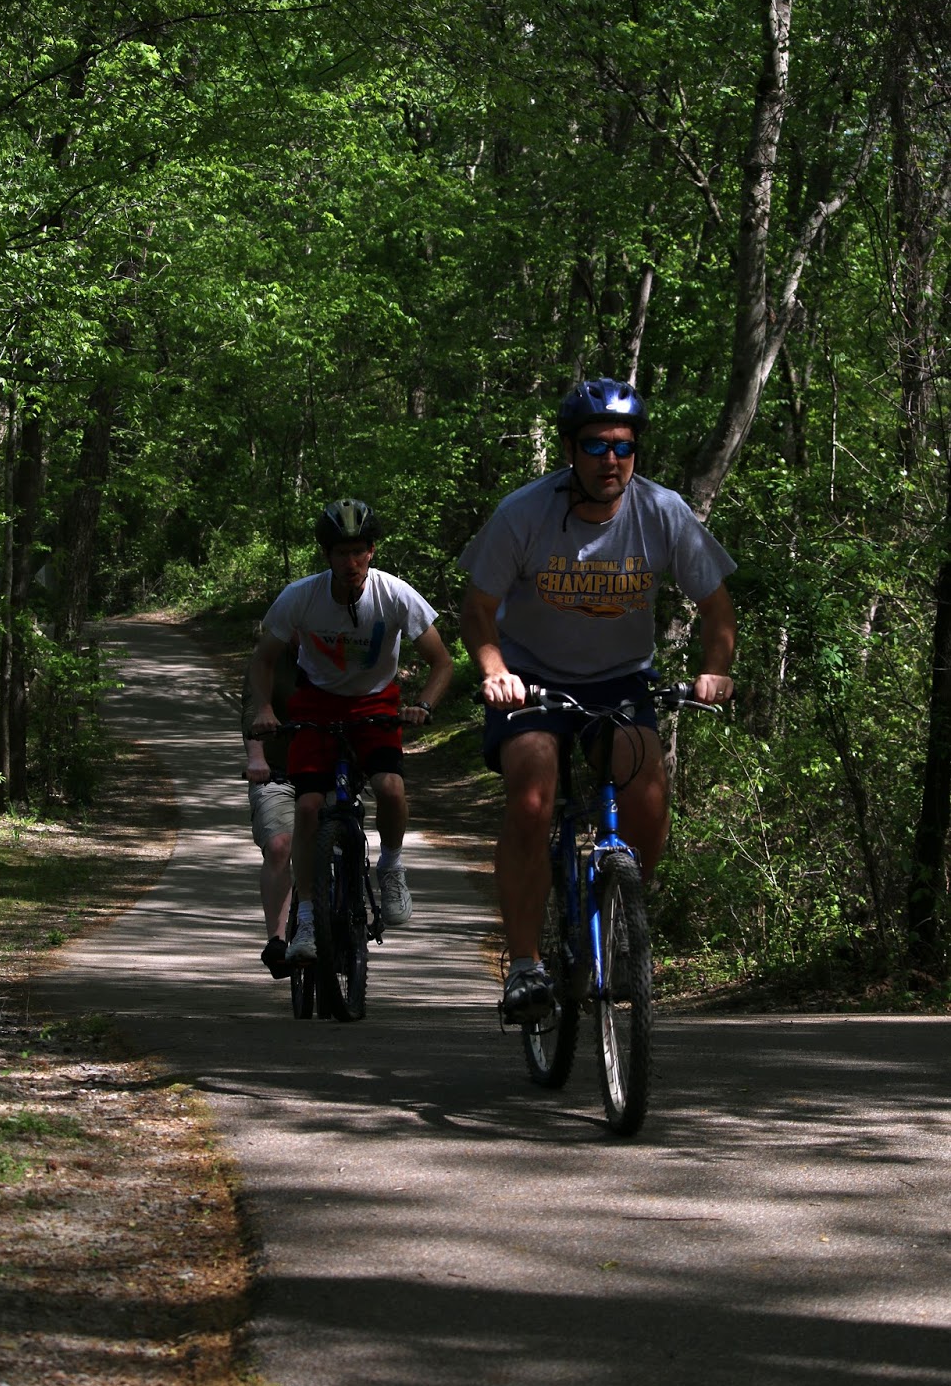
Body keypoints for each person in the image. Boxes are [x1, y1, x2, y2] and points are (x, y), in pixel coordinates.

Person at [459, 378, 736, 1026]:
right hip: (530, 680)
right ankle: (526, 966)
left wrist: (714, 671)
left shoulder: (662, 512)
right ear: (570, 451)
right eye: (594, 445)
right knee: (531, 795)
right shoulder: (523, 514)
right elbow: (477, 609)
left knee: (648, 796)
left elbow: (716, 608)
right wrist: (494, 669)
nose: (610, 459)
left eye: (623, 447)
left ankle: (621, 914)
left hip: (620, 681)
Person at [248, 498, 454, 964]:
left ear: (372, 551)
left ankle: (392, 868)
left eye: (359, 550)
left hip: (375, 701)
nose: (351, 561)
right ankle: (304, 919)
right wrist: (264, 707)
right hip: (317, 702)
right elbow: (262, 659)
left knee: (390, 787)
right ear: (327, 556)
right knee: (307, 807)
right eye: (341, 552)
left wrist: (423, 705)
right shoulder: (300, 596)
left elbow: (442, 662)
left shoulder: (396, 594)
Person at [241, 629, 298, 979]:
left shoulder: (342, 657)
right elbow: (252, 713)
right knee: (279, 845)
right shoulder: (268, 660)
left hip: (328, 770)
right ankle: (277, 940)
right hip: (277, 772)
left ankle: (343, 912)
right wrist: (257, 759)